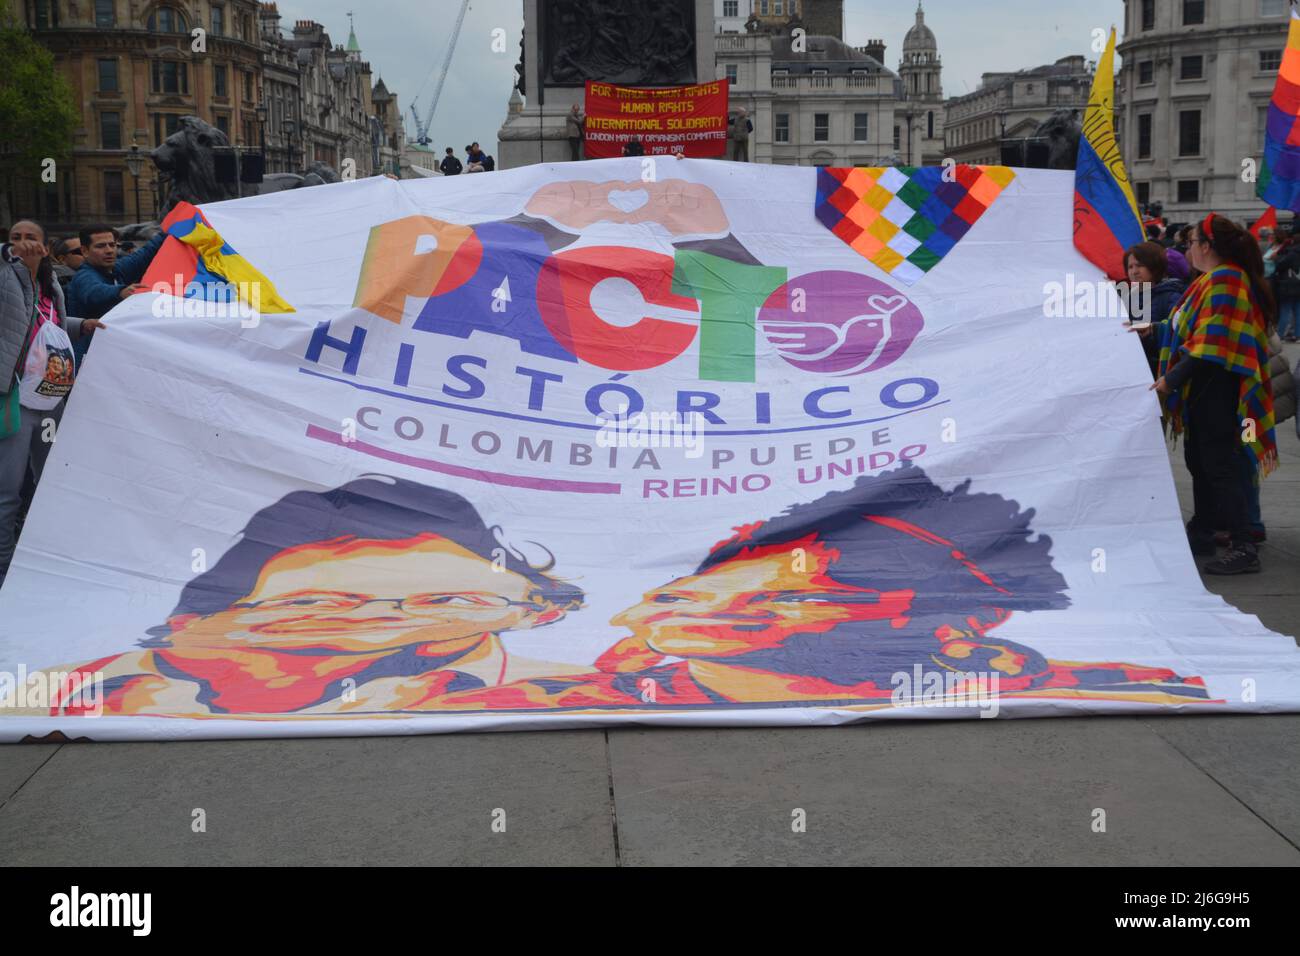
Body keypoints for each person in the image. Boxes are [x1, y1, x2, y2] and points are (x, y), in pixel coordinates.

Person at [433, 465, 1210, 713]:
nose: (714, 613)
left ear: (949, 624)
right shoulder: (560, 690)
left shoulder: (1110, 687)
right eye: (681, 595)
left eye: (788, 599)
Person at [12, 476, 586, 717]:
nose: (378, 623)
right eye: (321, 603)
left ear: (535, 609)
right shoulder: (68, 688)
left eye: (445, 602)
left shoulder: (574, 689)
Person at [1152, 213, 1277, 575]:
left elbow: (1212, 344)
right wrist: (1151, 329)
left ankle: (1243, 545)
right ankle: (1204, 530)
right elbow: (1184, 328)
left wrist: (1170, 379)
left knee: (1221, 467)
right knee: (1201, 463)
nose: (1188, 248)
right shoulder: (1209, 281)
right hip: (1205, 389)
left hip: (1221, 389)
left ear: (1206, 246)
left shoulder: (1227, 281)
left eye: (1191, 242)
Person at [0, 220, 106, 586]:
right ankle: (6, 575)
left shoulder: (51, 283)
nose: (23, 243)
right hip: (13, 402)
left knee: (51, 483)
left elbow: (50, 322)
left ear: (46, 248)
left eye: (32, 238)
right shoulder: (5, 278)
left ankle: (48, 561)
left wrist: (82, 325)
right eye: (15, 238)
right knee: (7, 494)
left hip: (49, 398)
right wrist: (15, 260)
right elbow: (20, 308)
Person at [65, 223, 163, 364]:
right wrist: (120, 292)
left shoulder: (116, 269)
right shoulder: (83, 276)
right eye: (100, 246)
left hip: (111, 354)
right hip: (88, 359)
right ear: (85, 251)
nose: (109, 250)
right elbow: (94, 292)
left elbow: (146, 253)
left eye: (112, 245)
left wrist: (169, 230)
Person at [1125, 241, 1186, 378]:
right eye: (1130, 267)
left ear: (1155, 267)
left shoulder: (1172, 296)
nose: (1134, 271)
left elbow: (1179, 333)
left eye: (1140, 265)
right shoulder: (1125, 299)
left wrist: (1152, 331)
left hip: (1159, 374)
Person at [1274, 228, 1300, 342]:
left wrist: (1277, 258)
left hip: (1288, 284)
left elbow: (1280, 265)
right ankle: (1298, 334)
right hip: (1298, 283)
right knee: (1298, 310)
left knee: (1285, 309)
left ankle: (1280, 334)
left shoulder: (1292, 253)